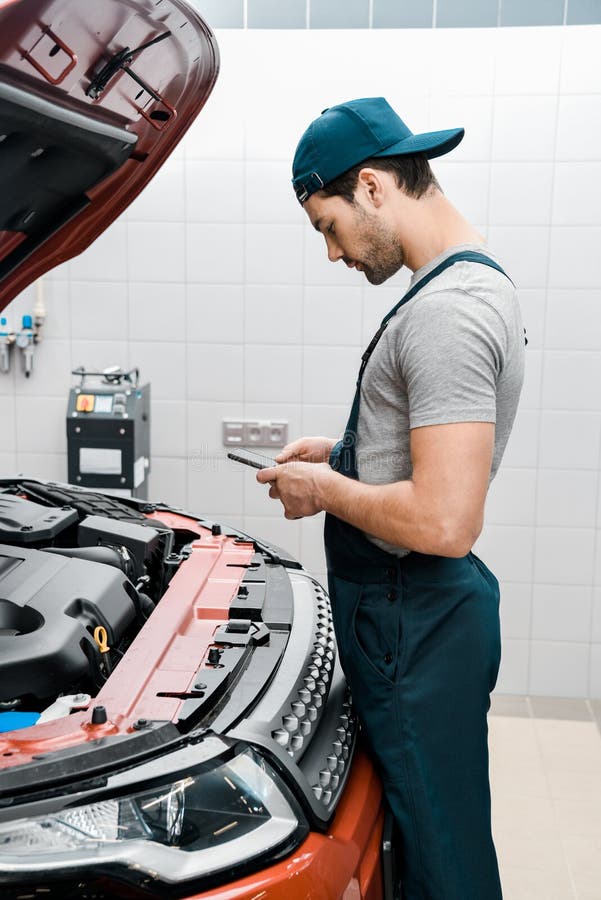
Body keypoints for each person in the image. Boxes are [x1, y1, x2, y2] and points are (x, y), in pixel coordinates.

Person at [257, 97, 525, 899]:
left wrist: (326, 489)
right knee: (419, 834)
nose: (334, 254)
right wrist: (339, 455)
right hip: (418, 618)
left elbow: (444, 520)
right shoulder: (467, 283)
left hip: (416, 620)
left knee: (442, 859)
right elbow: (425, 457)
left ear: (371, 187)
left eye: (327, 227)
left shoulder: (444, 313)